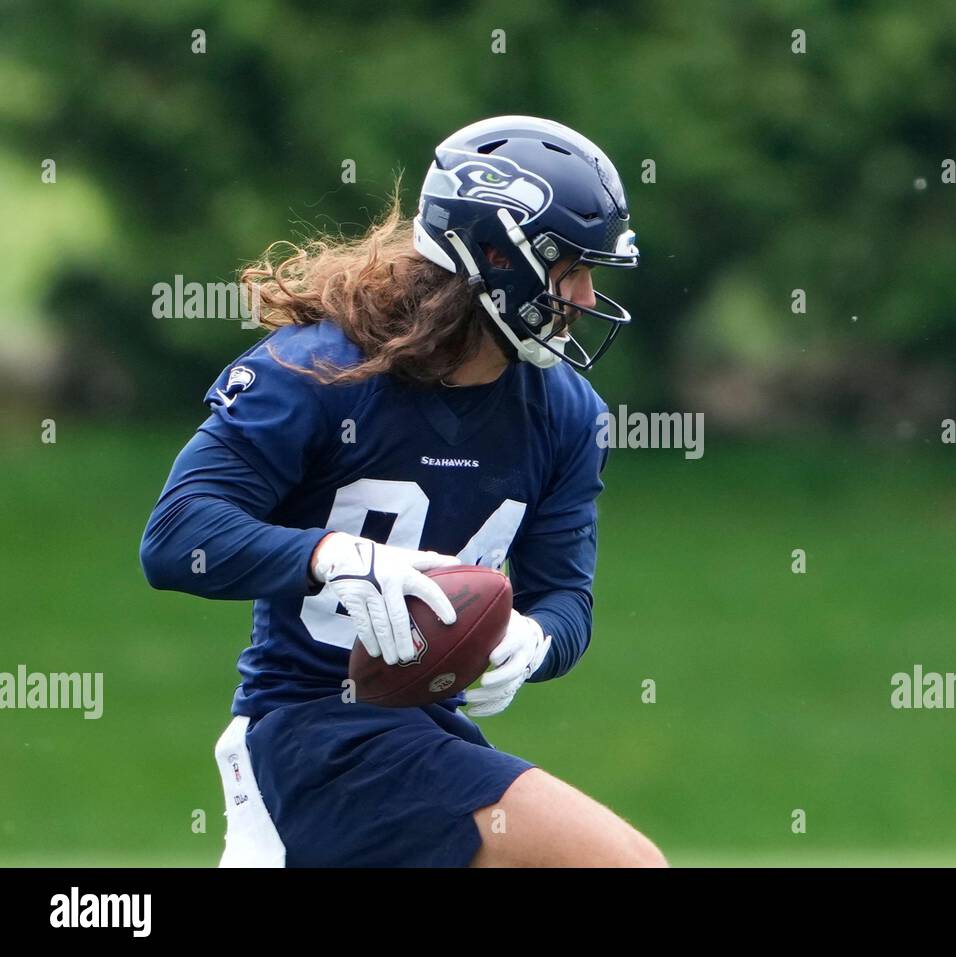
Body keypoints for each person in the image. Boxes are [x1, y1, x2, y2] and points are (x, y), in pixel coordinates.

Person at [140, 115, 667, 867]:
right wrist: (335, 557)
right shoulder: (319, 372)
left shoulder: (566, 413)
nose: (584, 296)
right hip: (316, 732)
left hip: (423, 731)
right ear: (496, 254)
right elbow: (176, 536)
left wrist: (534, 641)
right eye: (569, 268)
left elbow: (565, 598)